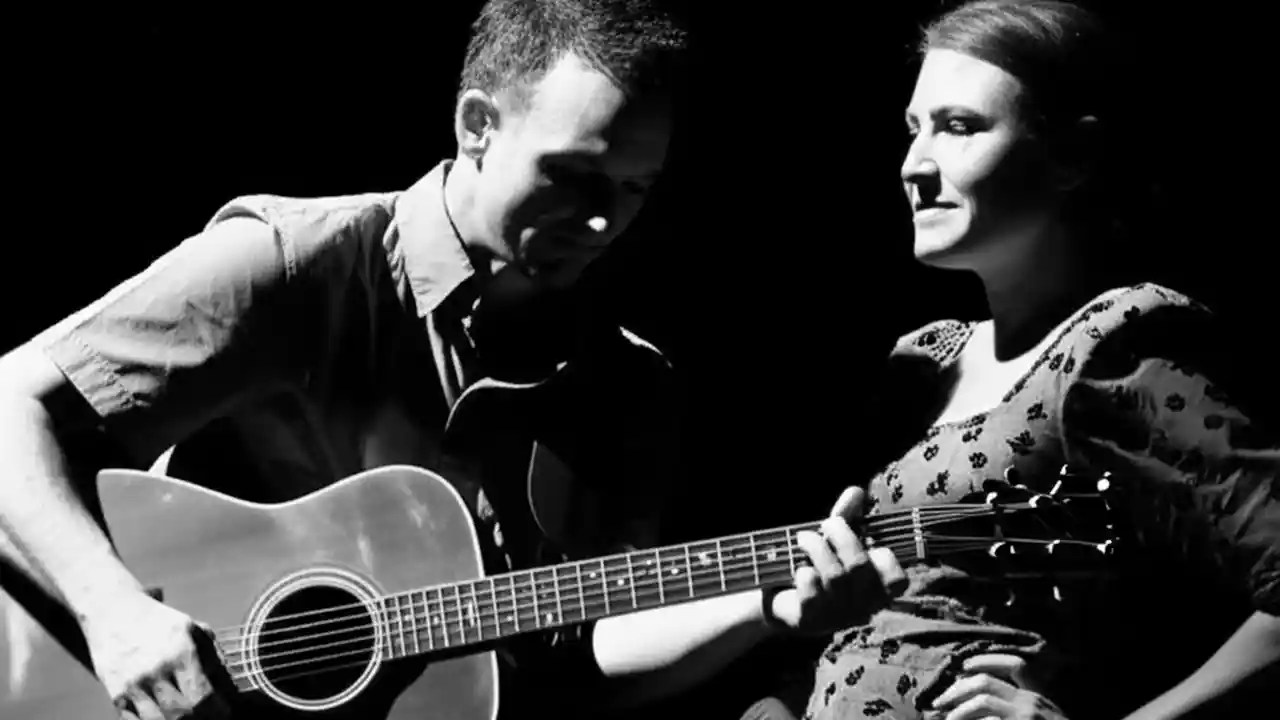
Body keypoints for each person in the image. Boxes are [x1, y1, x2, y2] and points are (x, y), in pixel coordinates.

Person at [0, 2, 907, 719]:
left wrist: (763, 607)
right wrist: (114, 612)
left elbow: (581, 650)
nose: (604, 221)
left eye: (635, 188)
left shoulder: (630, 387)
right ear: (478, 125)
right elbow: (9, 408)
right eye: (573, 176)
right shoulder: (293, 265)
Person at [784, 1, 1280, 719]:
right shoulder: (923, 361)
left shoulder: (1113, 346)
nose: (914, 165)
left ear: (1072, 156)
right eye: (914, 129)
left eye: (959, 127)